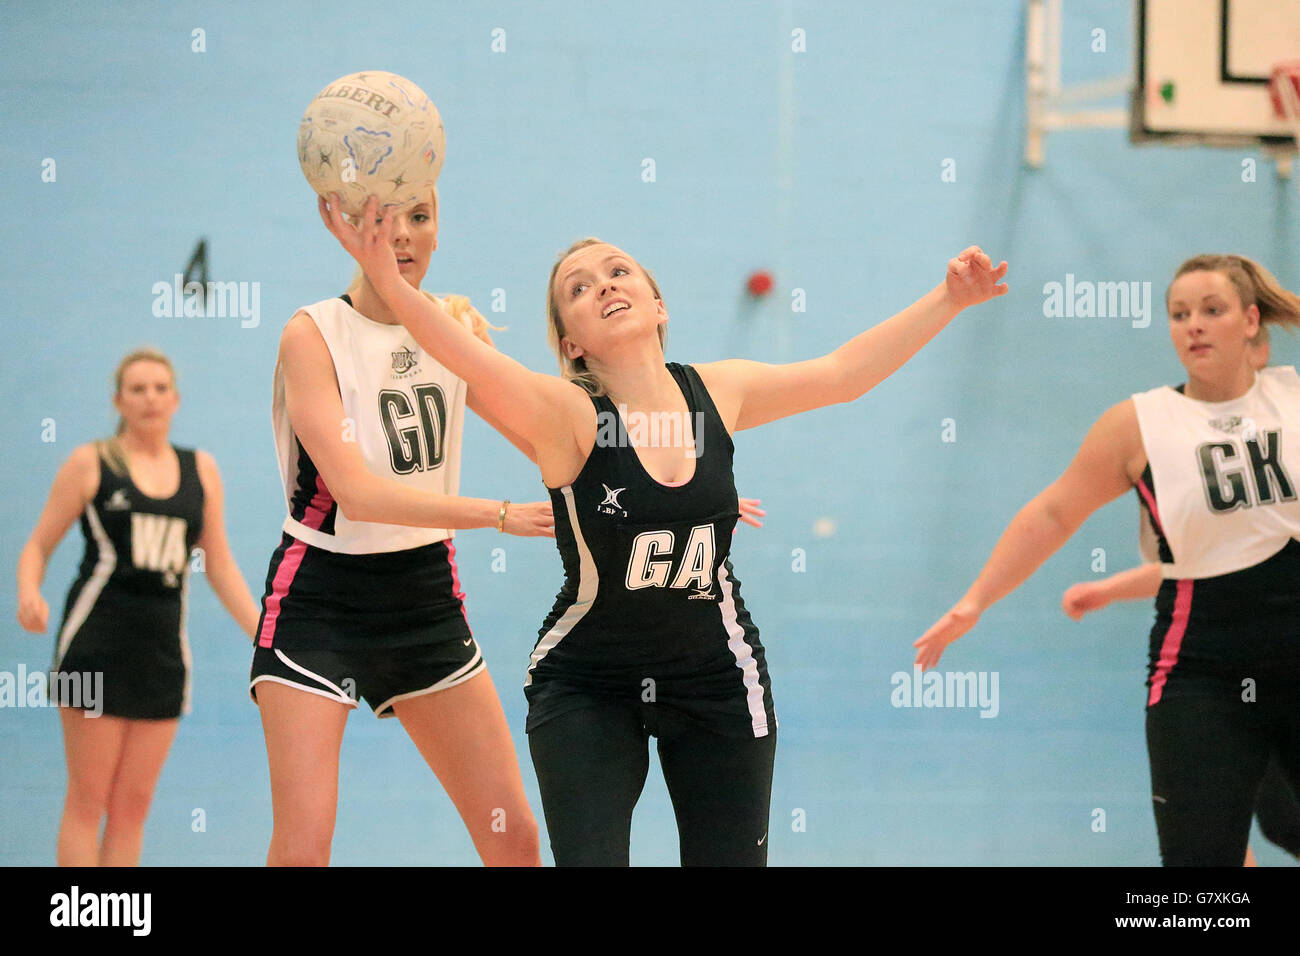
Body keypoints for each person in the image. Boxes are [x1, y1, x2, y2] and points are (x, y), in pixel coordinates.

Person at [321, 191, 1007, 865]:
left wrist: (948, 299)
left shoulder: (720, 391)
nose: (604, 285)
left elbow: (841, 375)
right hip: (589, 682)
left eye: (618, 271)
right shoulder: (567, 415)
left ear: (658, 307)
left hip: (715, 674)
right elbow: (470, 361)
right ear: (572, 344)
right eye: (579, 288)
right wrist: (389, 283)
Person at [916, 254, 1300, 866]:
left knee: (1285, 825)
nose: (1193, 325)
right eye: (1179, 314)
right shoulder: (1139, 424)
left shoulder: (1292, 398)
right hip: (1202, 670)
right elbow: (1054, 513)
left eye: (1212, 310)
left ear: (1251, 321)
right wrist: (976, 600)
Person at [252, 184, 561, 866]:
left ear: (439, 230)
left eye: (420, 217)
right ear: (349, 229)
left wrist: (683, 478)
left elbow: (549, 437)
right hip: (317, 598)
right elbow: (358, 496)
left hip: (422, 596)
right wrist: (501, 516)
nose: (404, 235)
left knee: (513, 836)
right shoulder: (311, 332)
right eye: (384, 219)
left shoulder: (454, 332)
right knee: (303, 844)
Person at [1061, 324, 1300, 866]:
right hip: (1221, 680)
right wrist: (1106, 589)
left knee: (1283, 818)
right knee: (1234, 818)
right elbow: (1189, 568)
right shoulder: (1186, 452)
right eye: (1183, 313)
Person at [16, 348, 260, 866]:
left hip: (162, 656)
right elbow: (37, 545)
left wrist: (266, 636)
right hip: (95, 649)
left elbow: (219, 566)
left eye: (159, 388)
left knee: (133, 807)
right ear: (118, 401)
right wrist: (28, 593)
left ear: (175, 399)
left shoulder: (202, 470)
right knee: (89, 800)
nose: (150, 398)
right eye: (137, 389)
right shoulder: (92, 462)